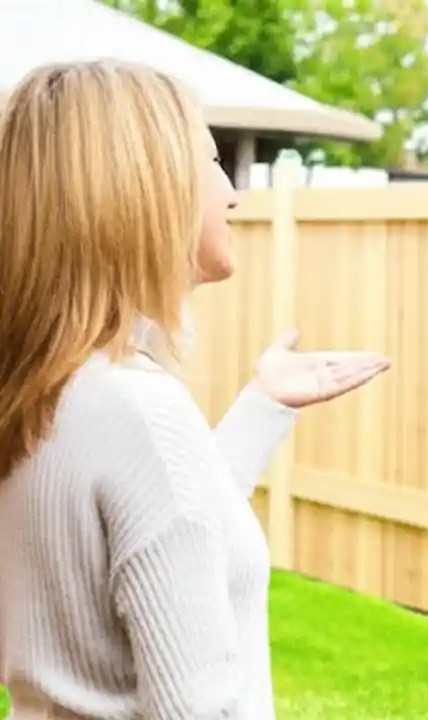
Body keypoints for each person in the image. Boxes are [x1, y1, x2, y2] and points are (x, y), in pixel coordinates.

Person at [0, 60, 390, 718]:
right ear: (141, 190)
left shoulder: (46, 388)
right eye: (211, 162)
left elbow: (158, 531)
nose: (232, 194)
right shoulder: (137, 411)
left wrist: (262, 409)